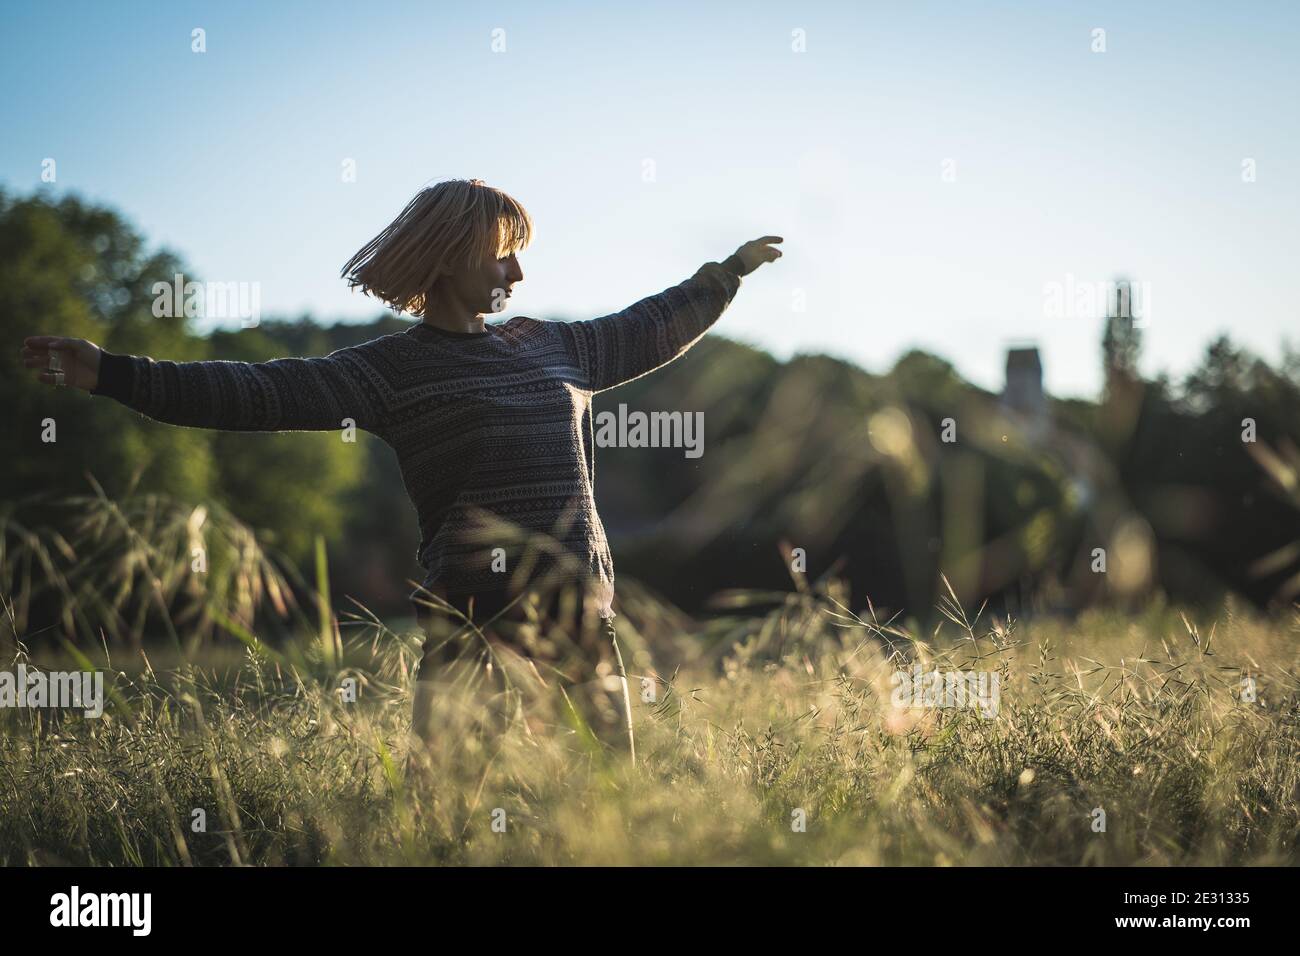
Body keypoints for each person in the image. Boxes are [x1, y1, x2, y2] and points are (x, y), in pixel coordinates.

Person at [21, 178, 783, 758]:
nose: (516, 273)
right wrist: (113, 373)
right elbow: (254, 391)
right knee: (442, 807)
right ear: (450, 258)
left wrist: (726, 275)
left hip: (576, 608)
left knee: (617, 781)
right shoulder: (389, 370)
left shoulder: (554, 347)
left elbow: (648, 327)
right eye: (501, 252)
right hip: (469, 616)